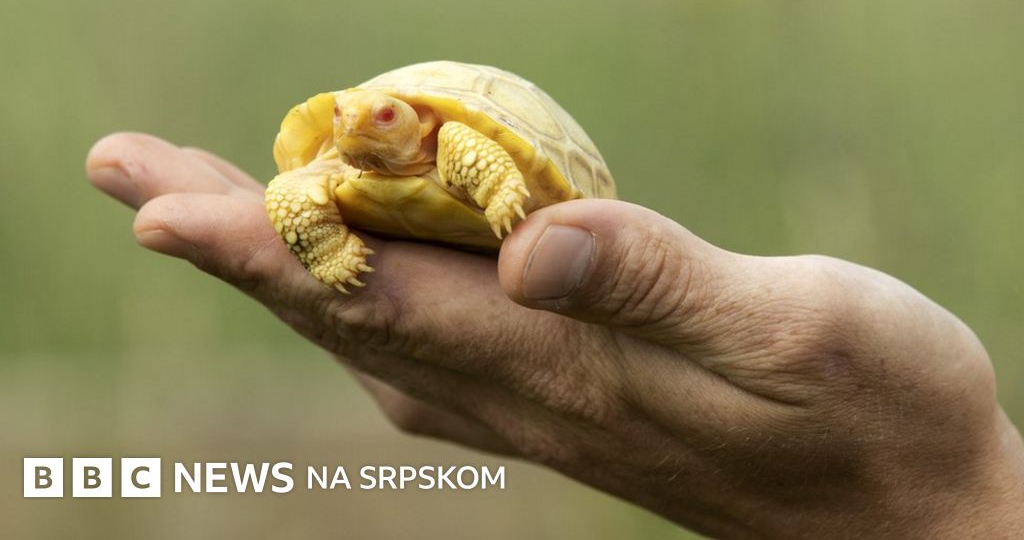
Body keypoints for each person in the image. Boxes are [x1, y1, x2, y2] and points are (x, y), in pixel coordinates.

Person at [86, 133, 1024, 538]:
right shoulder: (331, 168)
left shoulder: (454, 145)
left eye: (388, 120)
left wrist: (953, 508)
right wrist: (325, 247)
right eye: (355, 121)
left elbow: (485, 160)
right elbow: (293, 199)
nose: (368, 130)